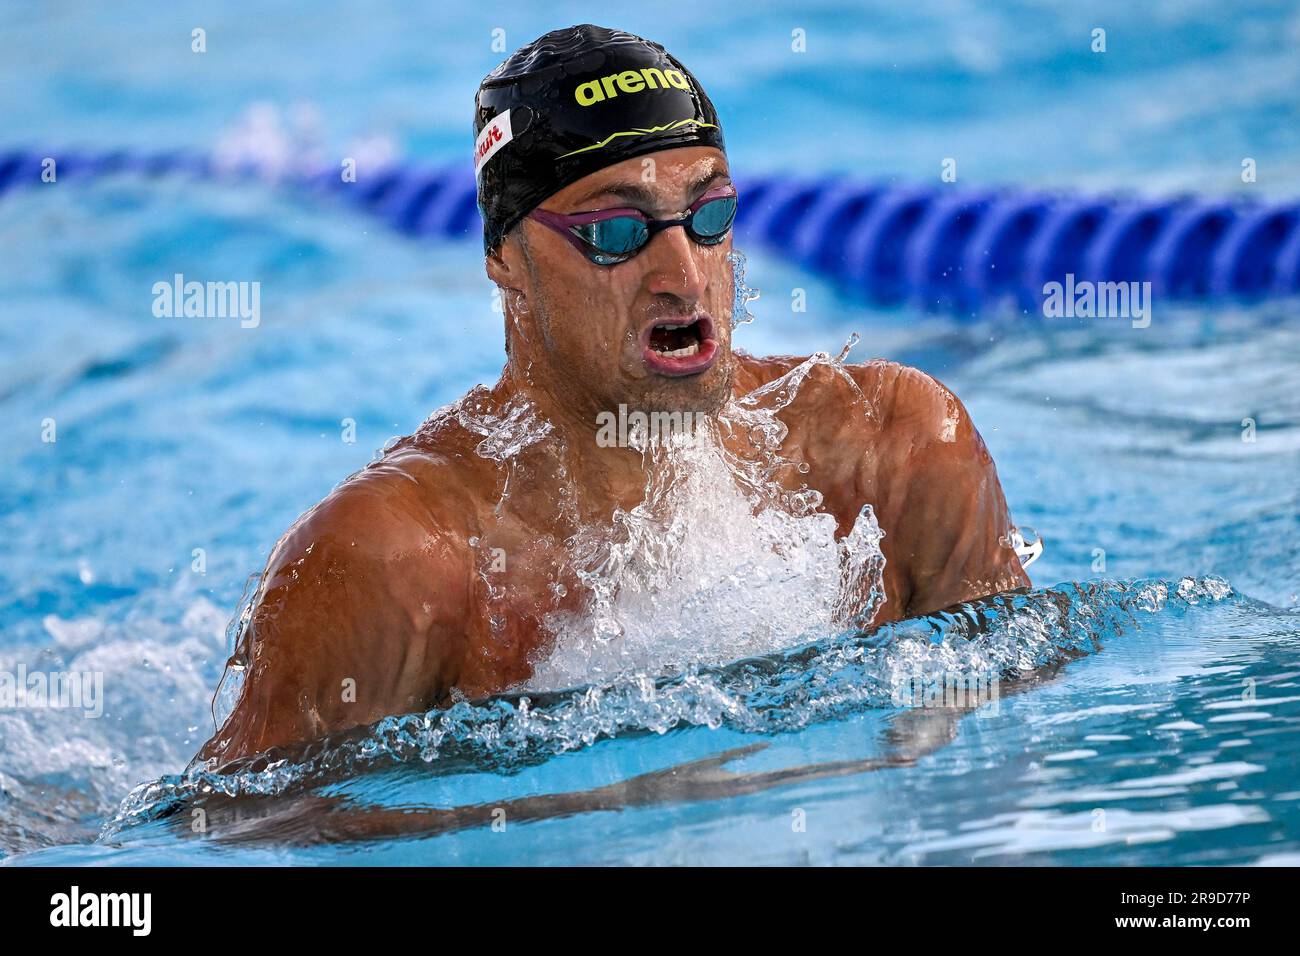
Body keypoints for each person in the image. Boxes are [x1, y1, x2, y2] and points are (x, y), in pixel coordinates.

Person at [196, 24, 1029, 766]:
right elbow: (248, 841)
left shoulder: (896, 450)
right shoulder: (399, 560)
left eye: (708, 215)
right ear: (505, 259)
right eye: (615, 233)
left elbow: (1019, 751)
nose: (684, 277)